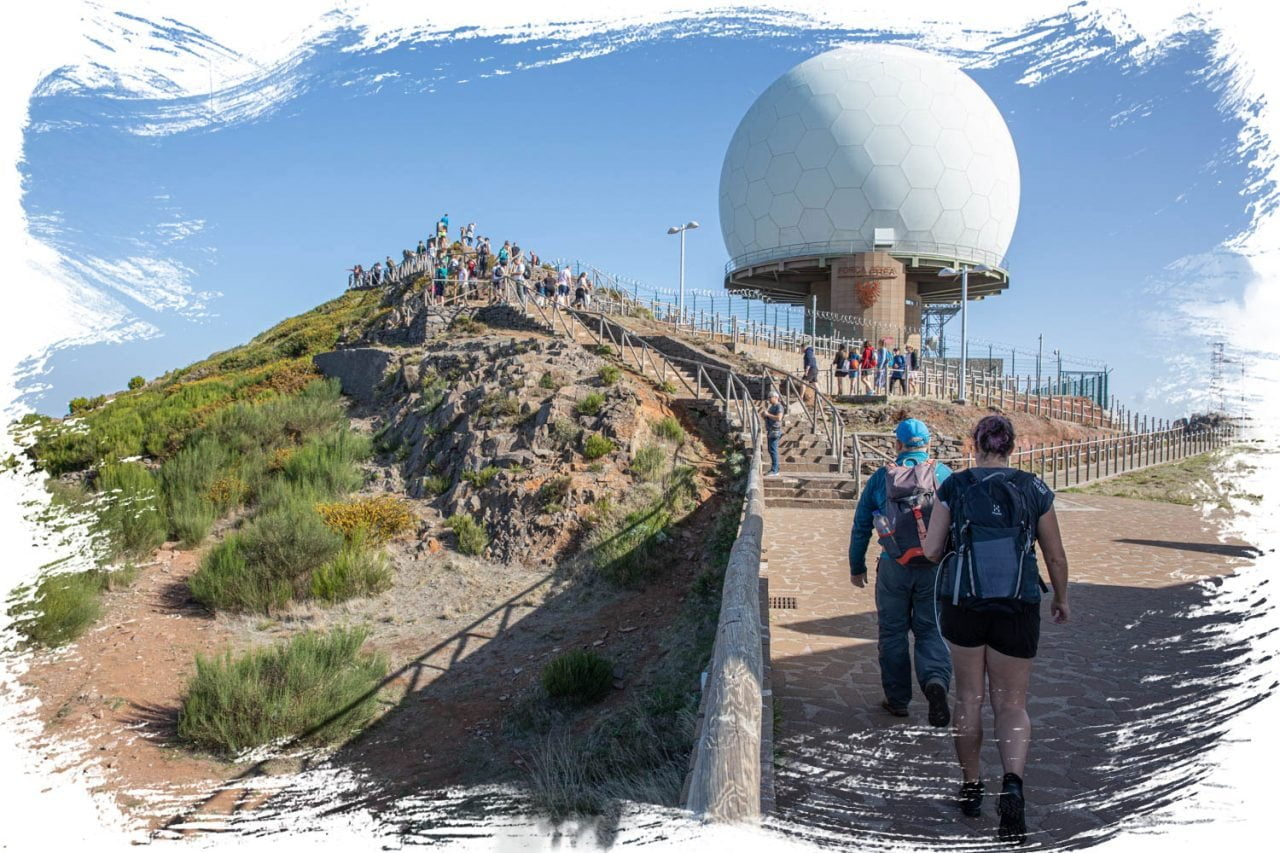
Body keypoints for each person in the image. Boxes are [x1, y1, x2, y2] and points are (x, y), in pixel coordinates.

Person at [922, 414, 1069, 844]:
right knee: (1012, 704)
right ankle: (1013, 786)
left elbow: (931, 551)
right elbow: (1055, 557)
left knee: (968, 697)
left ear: (975, 444)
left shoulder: (955, 486)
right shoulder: (1034, 488)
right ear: (1012, 445)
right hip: (1017, 606)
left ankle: (971, 787)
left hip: (964, 604)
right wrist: (1060, 598)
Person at [849, 417, 953, 724]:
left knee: (892, 632)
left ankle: (897, 700)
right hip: (934, 566)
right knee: (930, 628)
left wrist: (857, 566)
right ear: (928, 444)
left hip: (894, 564)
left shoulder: (883, 477)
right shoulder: (943, 474)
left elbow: (861, 525)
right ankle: (935, 680)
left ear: (897, 444)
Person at [762, 391, 784, 476]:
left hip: (775, 431)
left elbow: (779, 418)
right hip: (770, 430)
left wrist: (768, 414)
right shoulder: (772, 407)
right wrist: (764, 416)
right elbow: (769, 418)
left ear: (776, 397)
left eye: (770, 397)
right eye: (768, 397)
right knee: (771, 450)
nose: (769, 399)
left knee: (773, 450)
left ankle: (775, 470)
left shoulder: (779, 406)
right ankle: (774, 468)